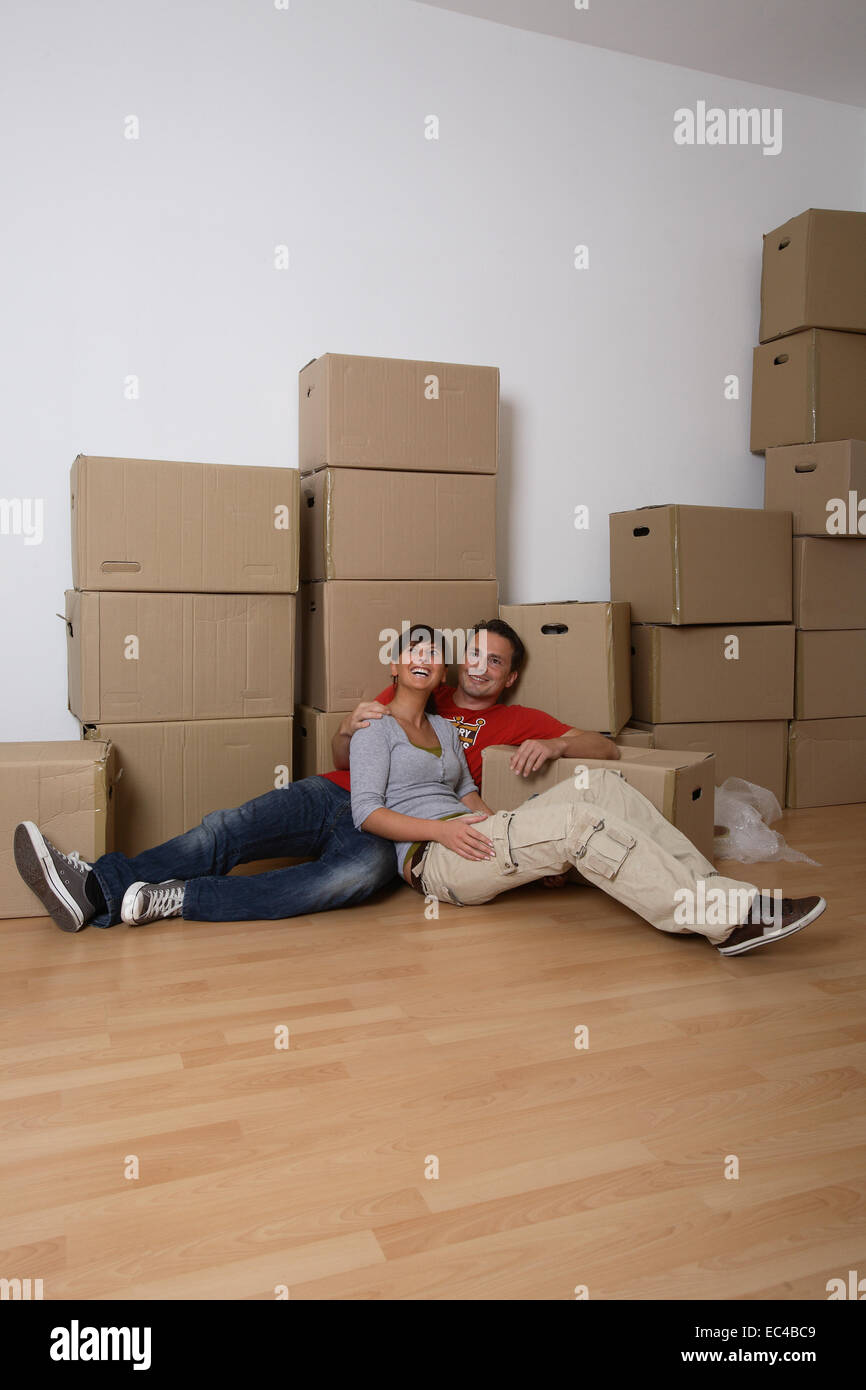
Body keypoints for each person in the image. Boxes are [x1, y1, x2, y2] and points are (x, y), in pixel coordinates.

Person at [12, 618, 617, 931]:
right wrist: (349, 728)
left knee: (332, 885)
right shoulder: (418, 691)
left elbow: (605, 747)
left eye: (496, 662)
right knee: (228, 830)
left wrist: (554, 741)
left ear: (510, 676)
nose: (479, 668)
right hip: (338, 792)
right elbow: (343, 753)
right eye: (472, 656)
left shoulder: (516, 719)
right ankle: (96, 885)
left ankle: (162, 899)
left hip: (391, 832)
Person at [349, 625, 827, 957]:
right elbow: (366, 811)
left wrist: (511, 835)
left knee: (600, 784)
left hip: (475, 835)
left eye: (434, 656)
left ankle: (725, 897)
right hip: (435, 859)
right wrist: (440, 833)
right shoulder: (375, 725)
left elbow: (469, 794)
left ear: (442, 675)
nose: (424, 660)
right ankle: (723, 920)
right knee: (577, 825)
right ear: (394, 666)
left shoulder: (444, 727)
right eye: (414, 652)